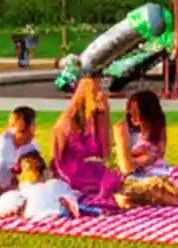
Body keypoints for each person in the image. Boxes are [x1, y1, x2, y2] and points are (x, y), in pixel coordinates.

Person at [51, 77, 124, 210]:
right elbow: (58, 158)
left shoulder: (94, 119)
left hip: (85, 171)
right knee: (114, 179)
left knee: (116, 177)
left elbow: (105, 152)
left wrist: (104, 115)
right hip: (74, 174)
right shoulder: (66, 123)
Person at [0, 151, 83, 221]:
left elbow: (69, 195)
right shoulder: (21, 190)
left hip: (52, 209)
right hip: (37, 211)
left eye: (33, 168)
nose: (33, 171)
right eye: (26, 169)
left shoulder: (53, 184)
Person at [114, 90, 169, 178]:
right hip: (132, 177)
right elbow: (126, 167)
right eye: (132, 113)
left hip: (155, 172)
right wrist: (147, 158)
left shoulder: (157, 125)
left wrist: (138, 159)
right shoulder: (122, 128)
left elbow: (160, 153)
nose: (134, 118)